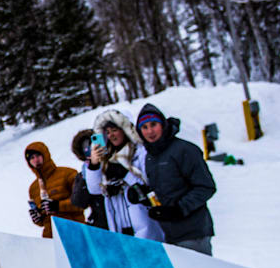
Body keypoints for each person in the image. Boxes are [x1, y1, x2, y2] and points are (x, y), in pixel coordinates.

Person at [136, 104, 216, 255]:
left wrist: (179, 209)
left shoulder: (184, 150)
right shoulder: (151, 156)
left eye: (154, 124)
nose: (150, 131)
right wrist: (146, 197)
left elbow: (206, 187)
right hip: (170, 234)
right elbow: (166, 188)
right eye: (144, 127)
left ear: (163, 124)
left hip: (193, 233)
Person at [84, 110, 163, 241]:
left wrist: (125, 174)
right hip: (119, 225)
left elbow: (149, 185)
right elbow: (94, 189)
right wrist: (94, 164)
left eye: (114, 130)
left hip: (145, 225)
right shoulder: (106, 158)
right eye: (107, 132)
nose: (111, 136)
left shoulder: (140, 151)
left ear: (125, 129)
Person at [24, 142, 85, 238]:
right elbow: (43, 221)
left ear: (45, 155)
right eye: (31, 158)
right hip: (51, 239)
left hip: (75, 233)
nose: (36, 160)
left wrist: (57, 206)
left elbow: (82, 202)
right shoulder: (33, 188)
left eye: (38, 156)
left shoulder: (68, 174)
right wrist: (38, 218)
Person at [69, 129, 107, 230]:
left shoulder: (113, 163)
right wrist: (90, 169)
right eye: (87, 149)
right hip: (101, 226)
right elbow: (78, 202)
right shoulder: (83, 174)